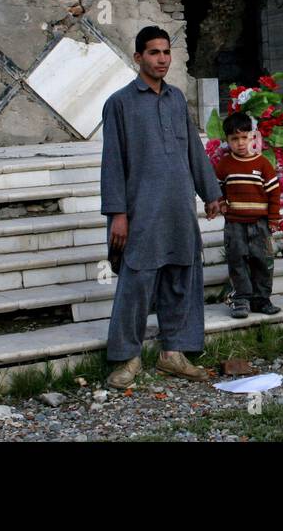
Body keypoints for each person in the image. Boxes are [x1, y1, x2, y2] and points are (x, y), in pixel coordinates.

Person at [101, 26, 225, 389]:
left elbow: (193, 151)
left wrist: (211, 193)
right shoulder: (120, 104)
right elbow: (113, 163)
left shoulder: (175, 100)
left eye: (166, 52)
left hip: (178, 208)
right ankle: (127, 357)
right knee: (136, 284)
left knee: (181, 279)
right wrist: (117, 215)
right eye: (154, 53)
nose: (162, 59)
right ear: (138, 57)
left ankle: (174, 353)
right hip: (141, 211)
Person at [212, 111, 283, 319]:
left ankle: (262, 299)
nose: (240, 143)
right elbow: (218, 189)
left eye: (244, 137)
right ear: (227, 141)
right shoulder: (225, 165)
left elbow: (274, 192)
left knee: (263, 260)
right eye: (235, 139)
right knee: (237, 261)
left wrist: (274, 217)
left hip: (260, 223)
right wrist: (222, 203)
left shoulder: (262, 164)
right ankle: (241, 300)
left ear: (253, 137)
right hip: (235, 224)